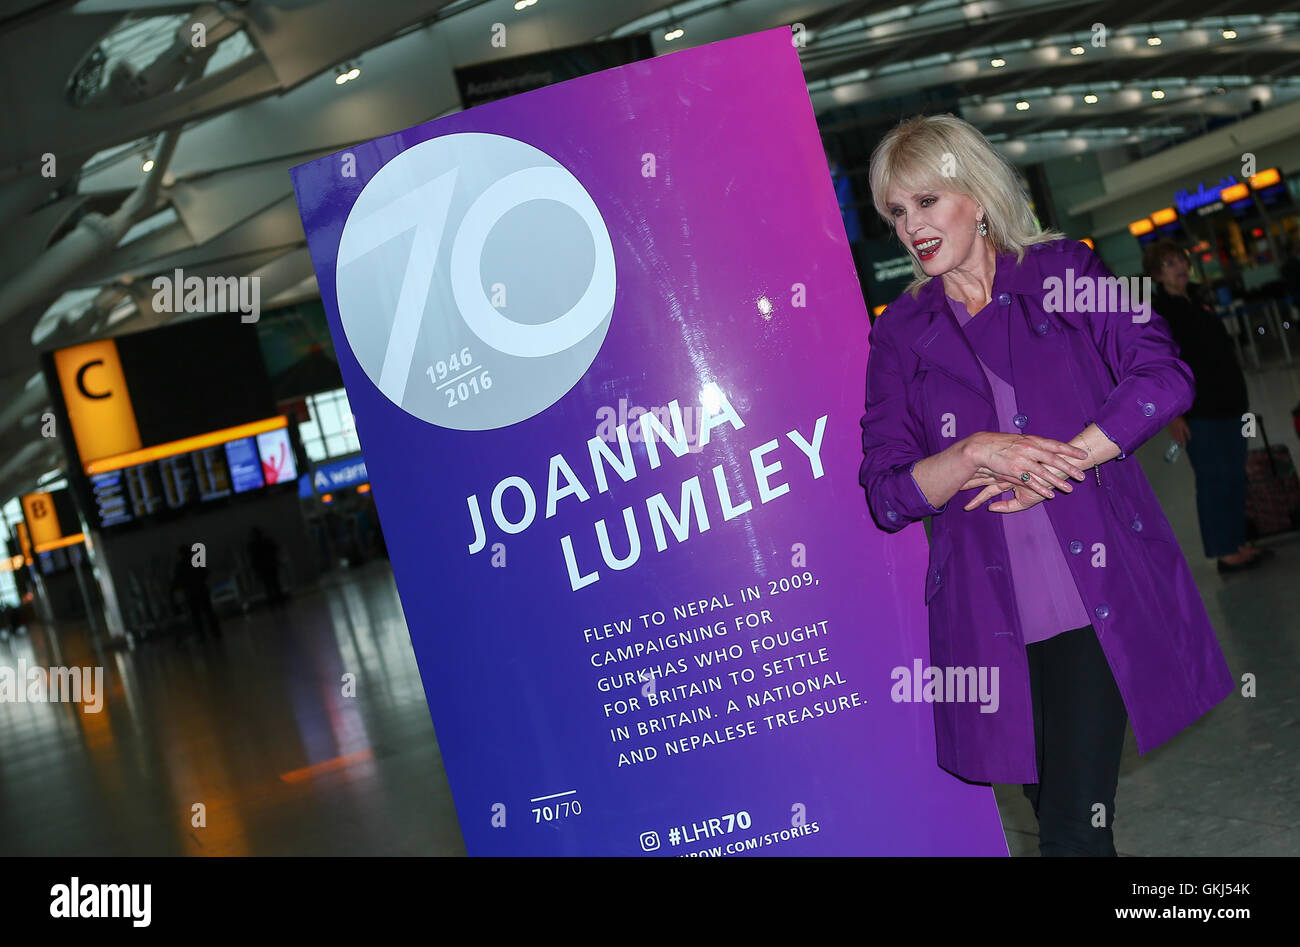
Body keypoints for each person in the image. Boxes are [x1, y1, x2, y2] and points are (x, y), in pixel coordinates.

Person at [858, 114, 1234, 856]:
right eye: (896, 213)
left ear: (975, 193)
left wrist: (1070, 456)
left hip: (1097, 595)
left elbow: (1163, 376)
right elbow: (887, 491)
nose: (911, 227)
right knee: (1065, 818)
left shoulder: (1068, 270)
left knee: (1069, 822)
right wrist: (970, 454)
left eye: (925, 202)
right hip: (986, 624)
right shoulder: (900, 332)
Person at [1146, 239, 1263, 572]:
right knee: (1214, 480)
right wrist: (1174, 415)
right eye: (1168, 264)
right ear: (1155, 275)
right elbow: (1161, 365)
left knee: (1234, 475)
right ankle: (1224, 551)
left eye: (1180, 261)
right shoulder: (1161, 314)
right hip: (1199, 412)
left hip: (1232, 405)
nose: (1179, 268)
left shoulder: (1198, 300)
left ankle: (1237, 540)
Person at [171, 544, 220, 639]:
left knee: (196, 617)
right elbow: (206, 573)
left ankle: (201, 636)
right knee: (209, 613)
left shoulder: (180, 566)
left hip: (190, 594)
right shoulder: (196, 561)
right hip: (202, 590)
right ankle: (215, 632)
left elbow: (177, 581)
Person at [247, 527, 285, 607]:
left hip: (263, 568)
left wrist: (255, 569)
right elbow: (275, 550)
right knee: (275, 584)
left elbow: (253, 558)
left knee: (267, 586)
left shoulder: (253, 545)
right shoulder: (267, 541)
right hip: (271, 565)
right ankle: (280, 600)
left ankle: (272, 603)